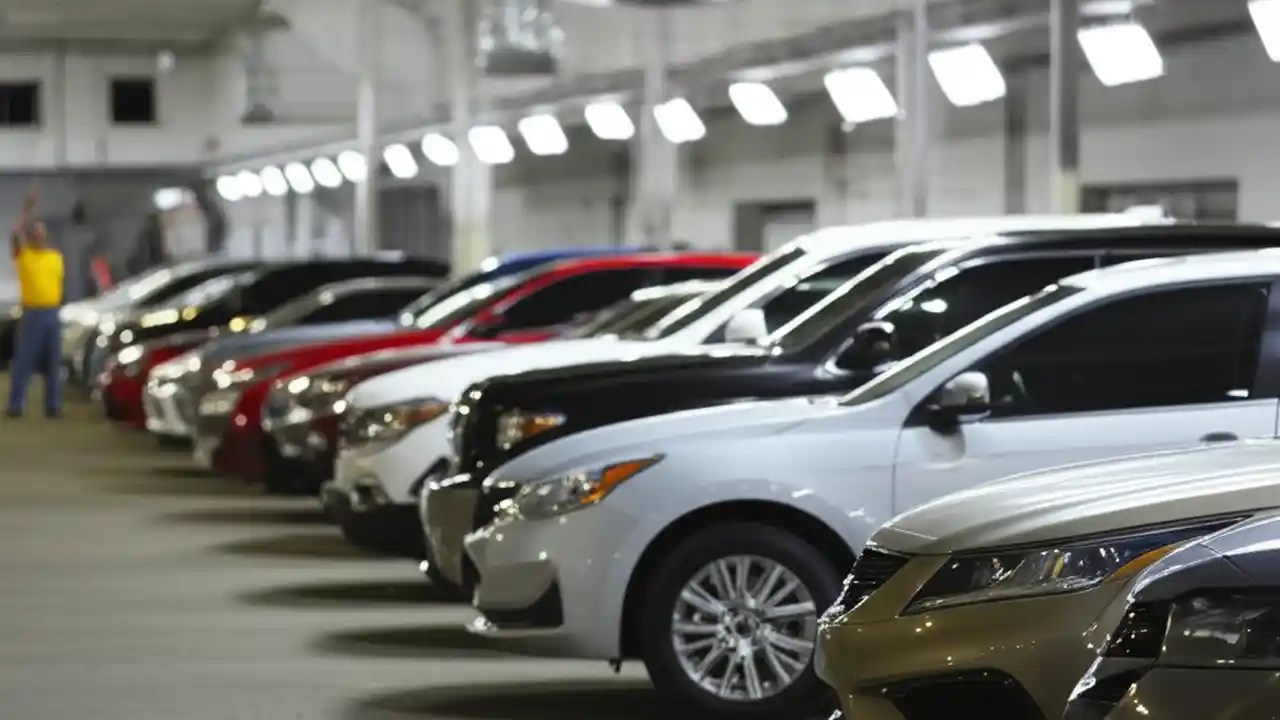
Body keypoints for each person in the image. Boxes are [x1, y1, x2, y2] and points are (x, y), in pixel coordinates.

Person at [7, 187, 64, 419]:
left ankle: (53, 406)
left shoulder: (55, 257)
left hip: (52, 313)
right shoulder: (24, 256)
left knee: (53, 363)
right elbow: (14, 234)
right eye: (34, 232)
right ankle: (15, 405)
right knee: (24, 361)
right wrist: (26, 209)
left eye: (41, 232)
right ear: (29, 237)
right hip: (32, 314)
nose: (38, 235)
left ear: (45, 236)